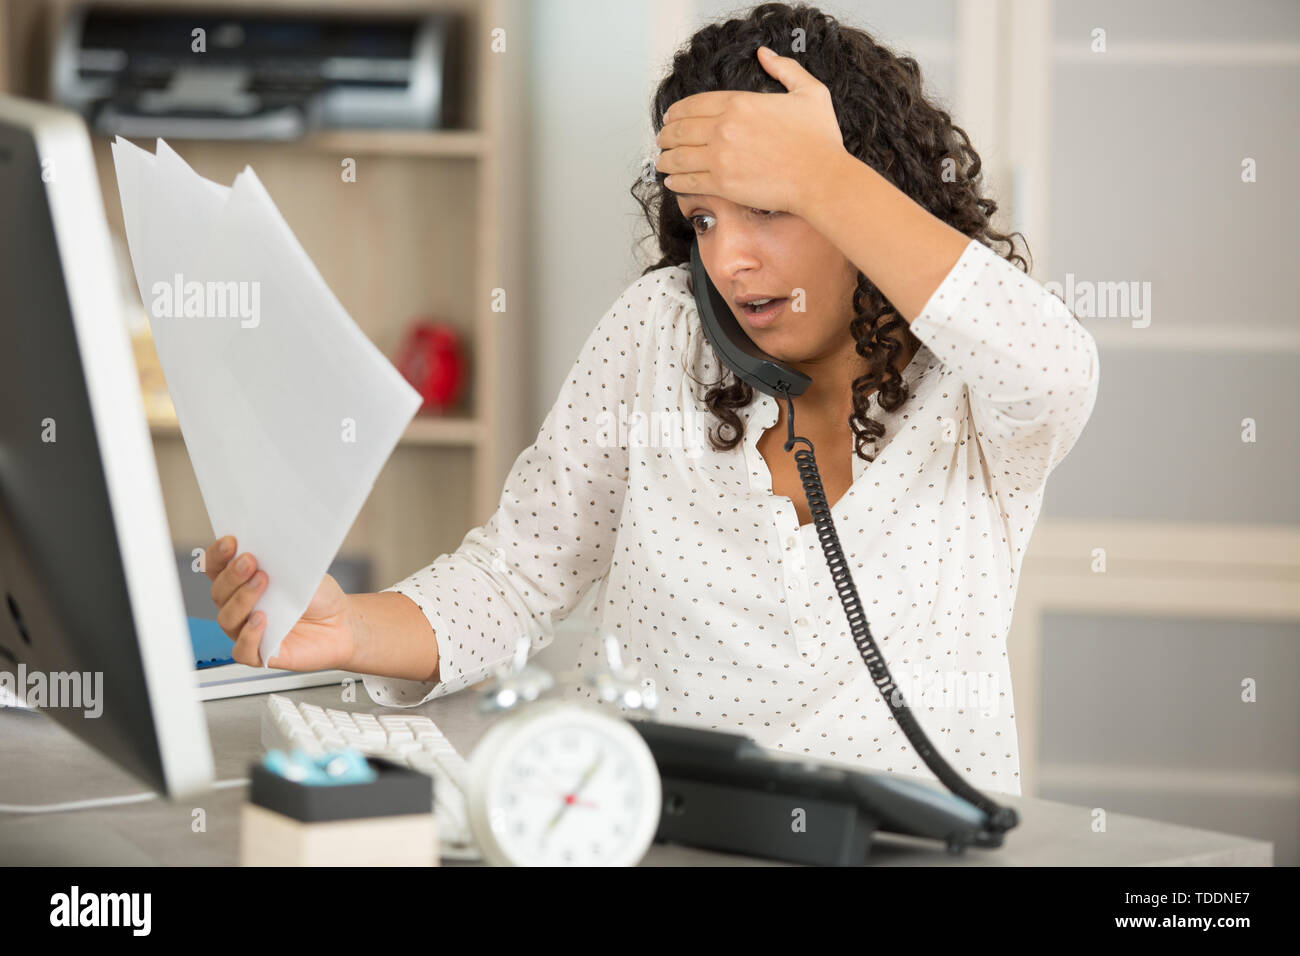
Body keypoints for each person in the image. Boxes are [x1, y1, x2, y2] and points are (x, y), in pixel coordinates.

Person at [204, 2, 1099, 795]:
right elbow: (518, 575)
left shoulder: (974, 383)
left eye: (770, 209)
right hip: (641, 828)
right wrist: (348, 628)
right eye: (704, 218)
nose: (730, 259)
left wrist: (821, 175)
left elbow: (1056, 368)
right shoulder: (663, 330)